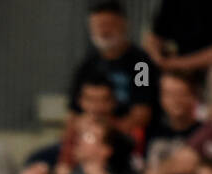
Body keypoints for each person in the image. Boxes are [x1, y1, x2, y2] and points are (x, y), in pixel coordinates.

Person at [67, 2, 158, 140]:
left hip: (128, 137)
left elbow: (142, 113)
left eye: (108, 25)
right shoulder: (87, 64)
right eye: (98, 26)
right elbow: (73, 112)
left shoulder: (141, 64)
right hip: (90, 135)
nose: (104, 31)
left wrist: (110, 128)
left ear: (123, 25)